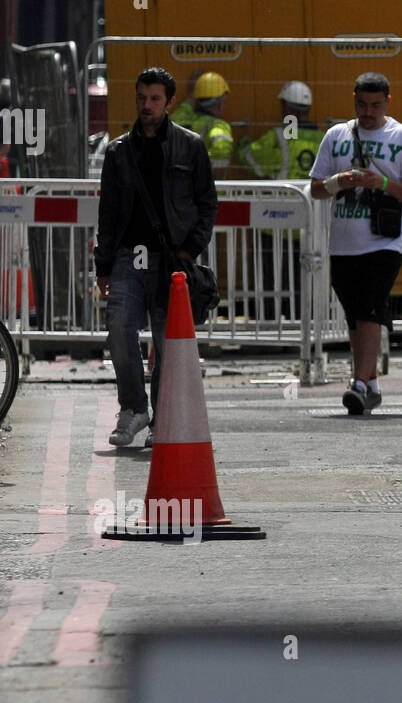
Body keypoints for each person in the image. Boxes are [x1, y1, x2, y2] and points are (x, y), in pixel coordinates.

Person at [94, 67, 217, 447]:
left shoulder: (190, 146)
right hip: (130, 257)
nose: (146, 106)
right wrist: (103, 266)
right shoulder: (118, 151)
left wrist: (187, 251)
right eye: (141, 98)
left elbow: (206, 204)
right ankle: (134, 408)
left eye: (154, 99)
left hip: (171, 260)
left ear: (169, 103)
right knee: (119, 331)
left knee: (168, 343)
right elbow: (109, 212)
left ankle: (162, 418)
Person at [309, 72, 402, 414]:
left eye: (376, 106)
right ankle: (370, 383)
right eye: (362, 105)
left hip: (385, 239)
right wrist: (338, 182)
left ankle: (358, 383)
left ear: (388, 102)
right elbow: (316, 188)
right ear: (354, 100)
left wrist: (383, 182)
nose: (368, 112)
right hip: (344, 240)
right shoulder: (337, 135)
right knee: (355, 314)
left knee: (372, 306)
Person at [240, 81, 322, 321]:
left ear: (287, 108)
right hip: (309, 224)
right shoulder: (322, 138)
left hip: (275, 223)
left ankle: (269, 325)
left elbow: (250, 159)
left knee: (270, 279)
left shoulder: (279, 137)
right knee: (303, 280)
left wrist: (244, 142)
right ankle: (301, 326)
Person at [187, 72, 233, 172]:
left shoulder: (186, 119)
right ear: (221, 104)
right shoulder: (219, 126)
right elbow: (221, 153)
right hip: (208, 185)